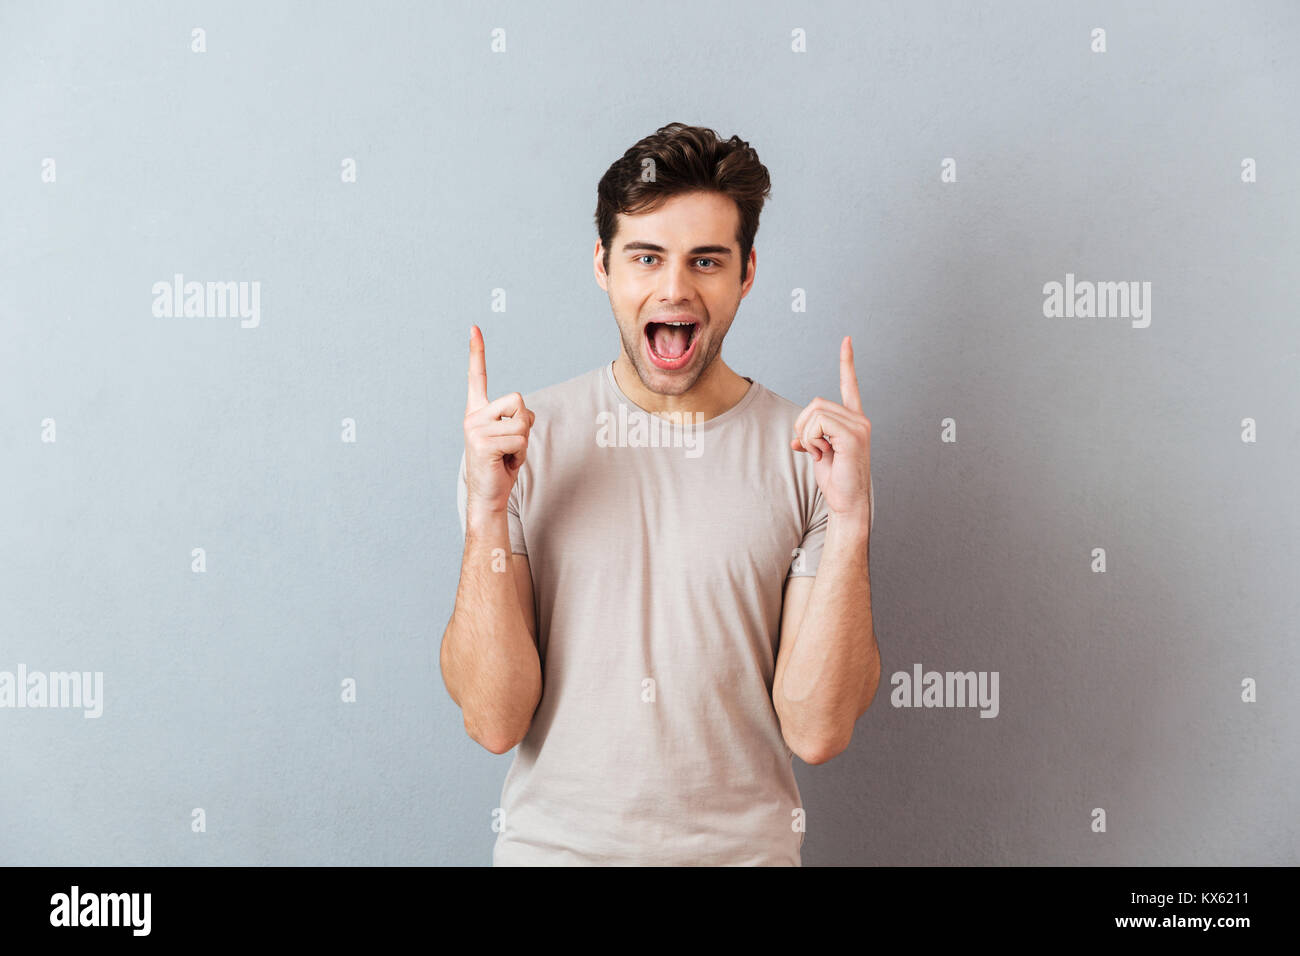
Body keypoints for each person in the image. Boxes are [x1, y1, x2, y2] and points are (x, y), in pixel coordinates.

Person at [442, 122, 879, 866]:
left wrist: (851, 521)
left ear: (746, 274)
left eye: (706, 261)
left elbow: (817, 731)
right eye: (646, 257)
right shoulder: (520, 449)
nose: (675, 287)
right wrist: (486, 515)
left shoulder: (812, 458)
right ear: (604, 268)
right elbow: (492, 719)